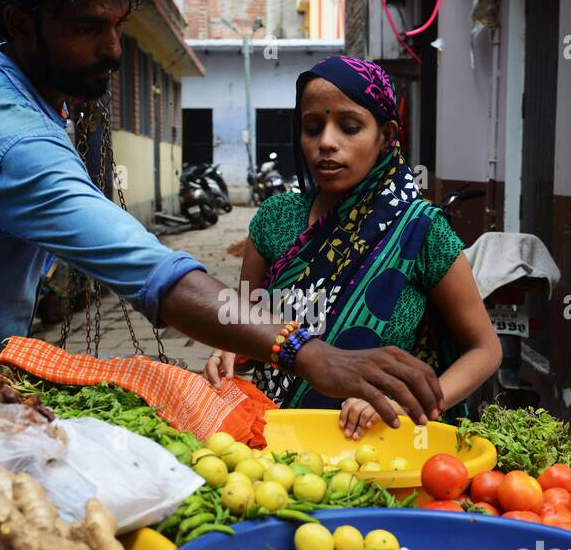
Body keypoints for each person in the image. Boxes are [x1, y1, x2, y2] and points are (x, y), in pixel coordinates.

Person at [0, 0, 443, 429]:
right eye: (87, 28)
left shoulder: (5, 80)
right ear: (22, 25)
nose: (112, 49)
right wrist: (310, 353)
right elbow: (161, 278)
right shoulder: (13, 140)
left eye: (117, 26)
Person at [204, 55, 501, 438]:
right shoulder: (276, 218)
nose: (326, 142)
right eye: (312, 127)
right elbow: (245, 320)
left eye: (349, 127)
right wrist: (229, 349)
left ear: (386, 136)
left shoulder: (420, 231)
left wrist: (405, 402)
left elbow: (485, 349)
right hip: (273, 439)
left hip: (377, 442)